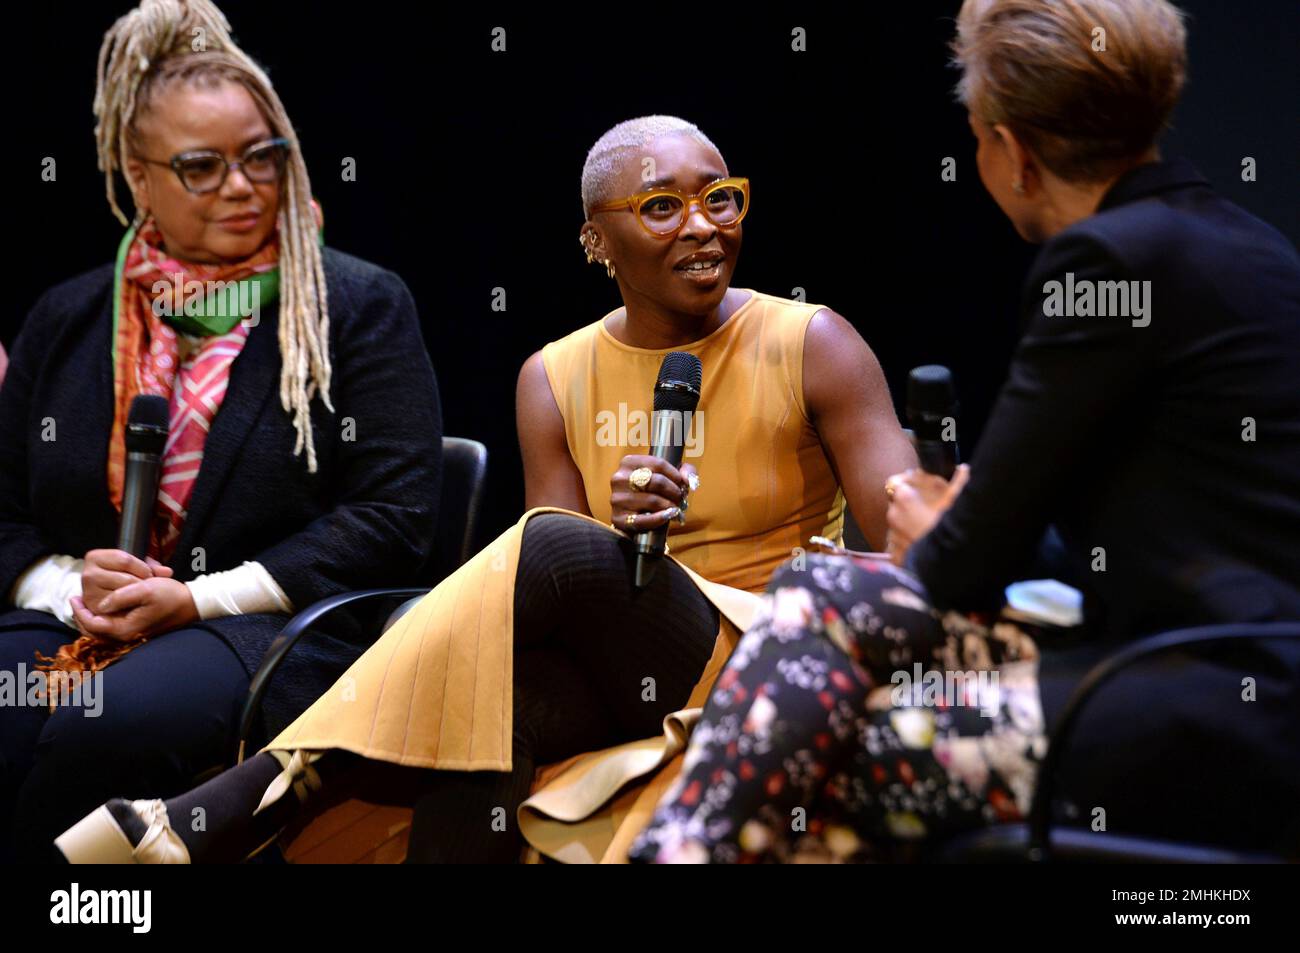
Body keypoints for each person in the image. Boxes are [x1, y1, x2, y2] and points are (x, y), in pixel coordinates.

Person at [56, 112, 918, 863]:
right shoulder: (551, 375)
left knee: (545, 545)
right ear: (595, 238)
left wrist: (930, 496)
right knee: (492, 707)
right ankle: (276, 788)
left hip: (770, 651)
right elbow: (545, 609)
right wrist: (614, 537)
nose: (703, 227)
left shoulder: (815, 342)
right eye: (662, 206)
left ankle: (271, 779)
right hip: (627, 665)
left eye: (720, 197)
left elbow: (904, 543)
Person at [628, 0, 1300, 863]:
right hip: (1196, 661)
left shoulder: (1104, 264)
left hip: (1211, 700)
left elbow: (959, 568)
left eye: (977, 135)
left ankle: (679, 852)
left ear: (1012, 152)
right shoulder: (1248, 245)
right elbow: (1135, 527)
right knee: (821, 592)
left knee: (825, 755)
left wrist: (940, 528)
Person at [0, 0, 441, 863]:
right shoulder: (68, 319)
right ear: (139, 174)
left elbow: (395, 517)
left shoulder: (355, 305)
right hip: (81, 624)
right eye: (202, 167)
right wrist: (70, 590)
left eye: (263, 157)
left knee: (110, 724)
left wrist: (193, 598)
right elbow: (7, 517)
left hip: (269, 631)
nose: (243, 187)